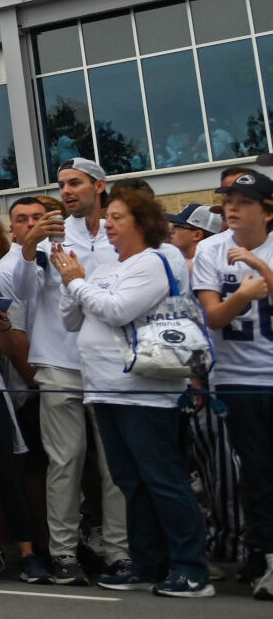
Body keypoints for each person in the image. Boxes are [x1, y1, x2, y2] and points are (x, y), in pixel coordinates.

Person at [53, 185, 212, 597]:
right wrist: (71, 281)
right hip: (104, 389)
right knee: (130, 482)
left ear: (142, 223)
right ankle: (147, 563)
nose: (108, 224)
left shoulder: (157, 259)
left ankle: (192, 569)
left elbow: (117, 309)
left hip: (146, 392)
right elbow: (71, 320)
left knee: (163, 479)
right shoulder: (106, 270)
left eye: (117, 217)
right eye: (108, 219)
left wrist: (79, 286)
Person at [0, 158, 128, 585]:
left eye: (76, 183)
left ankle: (119, 552)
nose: (67, 190)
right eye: (62, 184)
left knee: (113, 465)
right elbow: (18, 294)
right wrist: (29, 248)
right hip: (57, 363)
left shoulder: (116, 232)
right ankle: (64, 553)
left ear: (99, 187)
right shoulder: (51, 234)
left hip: (111, 364)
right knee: (63, 463)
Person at [194, 169, 273, 599]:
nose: (232, 207)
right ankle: (266, 558)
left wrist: (261, 268)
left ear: (268, 211)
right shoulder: (211, 249)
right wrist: (242, 295)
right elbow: (213, 318)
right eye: (227, 200)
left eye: (242, 201)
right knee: (257, 474)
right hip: (239, 378)